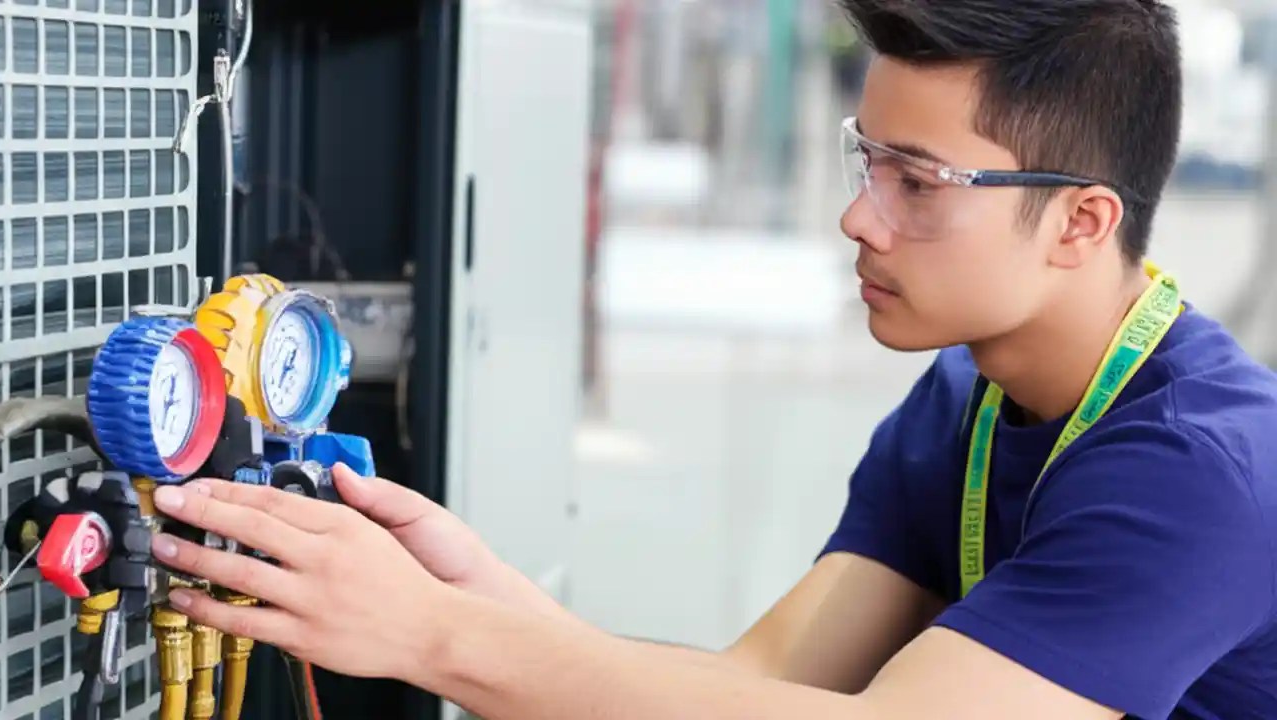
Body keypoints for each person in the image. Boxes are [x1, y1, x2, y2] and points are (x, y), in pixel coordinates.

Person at [148, 0, 1277, 718]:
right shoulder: (963, 403)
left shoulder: (1202, 475)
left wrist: (439, 639)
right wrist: (479, 599)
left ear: (1081, 222)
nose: (858, 219)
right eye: (866, 161)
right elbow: (761, 686)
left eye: (916, 183)